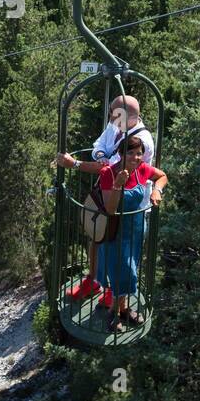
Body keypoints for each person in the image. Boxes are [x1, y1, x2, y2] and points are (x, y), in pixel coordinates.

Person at [55, 95, 156, 307]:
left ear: (126, 116)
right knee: (97, 237)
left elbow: (111, 168)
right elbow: (101, 143)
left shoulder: (141, 141)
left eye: (114, 113)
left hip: (128, 203)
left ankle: (113, 291)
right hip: (108, 194)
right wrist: (100, 153)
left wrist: (74, 164)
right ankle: (95, 280)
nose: (110, 116)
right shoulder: (116, 125)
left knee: (118, 248)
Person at [96, 133, 166, 333]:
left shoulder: (142, 169)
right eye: (131, 153)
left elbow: (161, 176)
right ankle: (113, 313)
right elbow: (110, 209)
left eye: (139, 154)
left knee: (130, 269)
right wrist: (118, 184)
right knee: (123, 272)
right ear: (120, 153)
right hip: (116, 230)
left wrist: (156, 190)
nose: (136, 158)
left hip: (135, 229)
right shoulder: (108, 173)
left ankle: (123, 309)